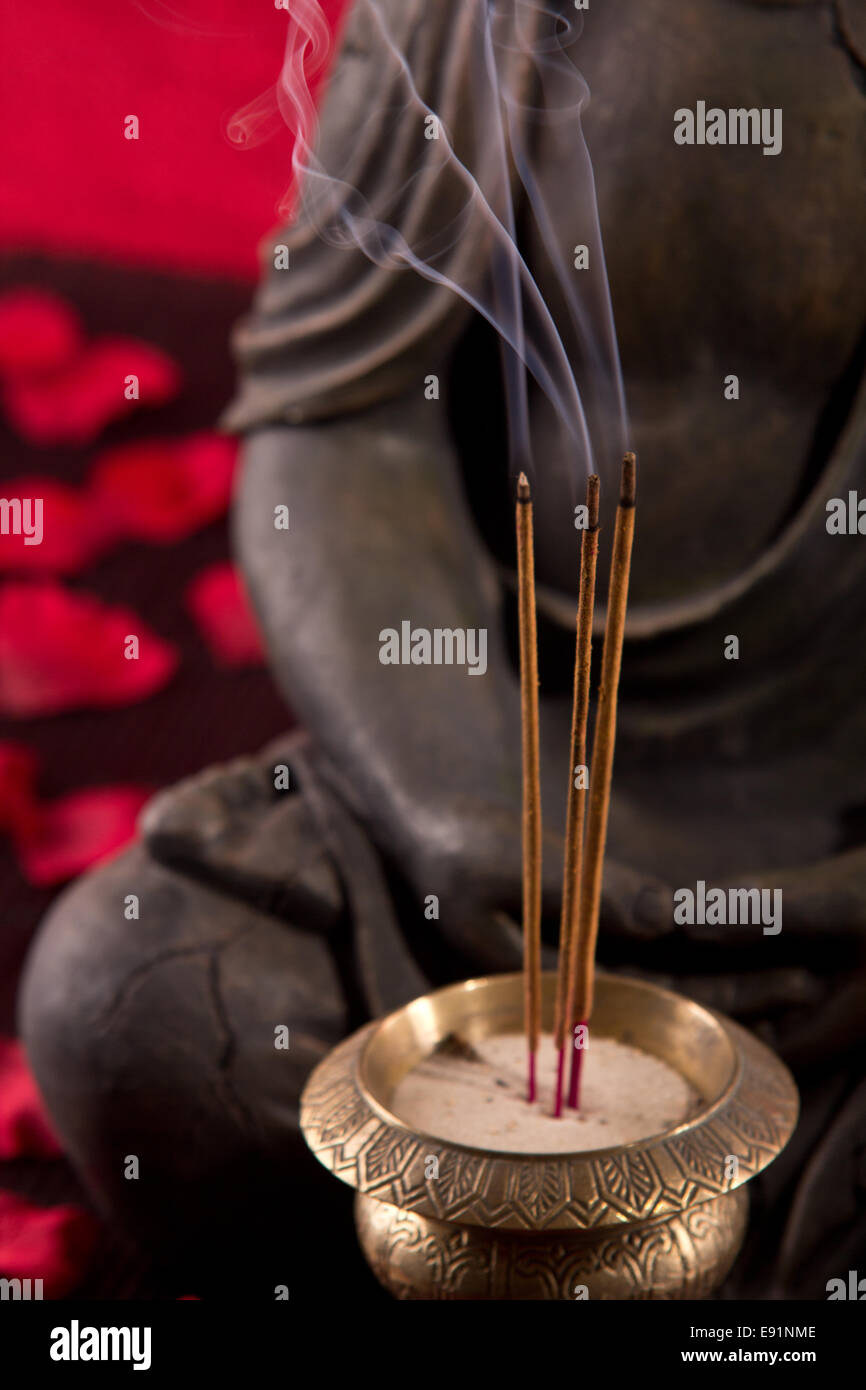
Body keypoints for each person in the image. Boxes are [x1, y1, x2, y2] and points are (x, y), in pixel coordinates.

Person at [21, 0, 866, 1298]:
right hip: (506, 810)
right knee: (132, 996)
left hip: (843, 886)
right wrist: (452, 790)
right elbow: (345, 424)